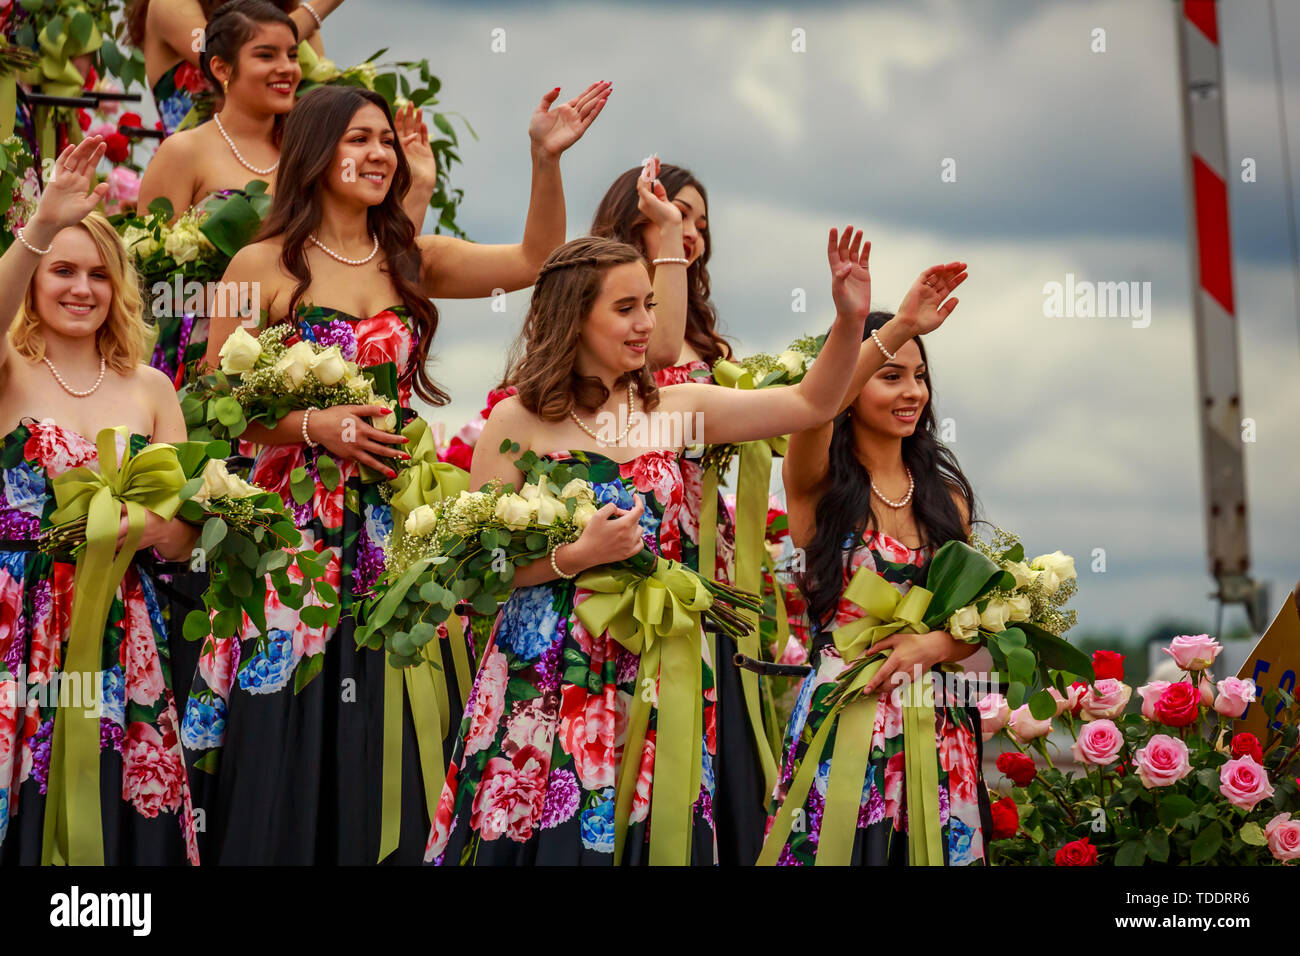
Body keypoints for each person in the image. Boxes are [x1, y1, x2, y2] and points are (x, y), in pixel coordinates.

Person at [187, 80, 610, 864]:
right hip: (290, 537)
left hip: (391, 535)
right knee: (287, 710)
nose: (378, 153)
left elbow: (534, 261)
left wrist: (543, 159)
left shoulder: (409, 258)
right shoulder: (259, 263)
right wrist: (318, 426)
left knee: (382, 722)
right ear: (315, 151)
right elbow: (213, 406)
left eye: (384, 139)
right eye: (358, 139)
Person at [425, 226, 874, 865]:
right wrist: (572, 558)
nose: (646, 325)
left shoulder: (676, 409)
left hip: (657, 665)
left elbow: (811, 402)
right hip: (545, 671)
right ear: (575, 315)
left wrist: (850, 318)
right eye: (626, 307)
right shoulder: (514, 422)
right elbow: (476, 574)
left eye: (650, 306)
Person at [0, 138, 201, 864]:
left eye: (97, 275)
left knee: (116, 810)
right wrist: (42, 223)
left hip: (122, 618)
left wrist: (145, 526)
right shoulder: (10, 370)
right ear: (33, 278)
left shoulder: (151, 389)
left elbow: (182, 536)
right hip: (15, 619)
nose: (80, 288)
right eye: (61, 270)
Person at [762, 261, 998, 866]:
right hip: (845, 722)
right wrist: (890, 328)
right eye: (891, 376)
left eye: (920, 377)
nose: (912, 392)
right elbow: (816, 407)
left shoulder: (947, 498)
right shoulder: (817, 483)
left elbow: (979, 635)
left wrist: (933, 648)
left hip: (938, 727)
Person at [588, 160, 782, 864]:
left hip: (707, 548)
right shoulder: (630, 331)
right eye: (674, 214)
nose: (690, 231)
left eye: (699, 220)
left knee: (716, 720)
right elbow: (659, 353)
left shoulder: (705, 333)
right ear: (630, 217)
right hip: (635, 549)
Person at [137, 0, 436, 381]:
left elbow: (381, 255)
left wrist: (419, 189)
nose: (286, 68)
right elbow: (146, 279)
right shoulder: (185, 151)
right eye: (267, 55)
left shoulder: (319, 157)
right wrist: (235, 299)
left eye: (294, 55)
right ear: (221, 68)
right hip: (196, 346)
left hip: (304, 355)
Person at [128, 0, 337, 137]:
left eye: (290, 55)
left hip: (280, 177)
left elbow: (317, 95)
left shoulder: (292, 10)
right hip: (201, 185)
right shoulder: (170, 4)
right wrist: (317, 8)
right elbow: (220, 52)